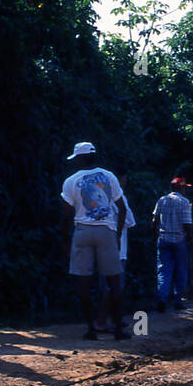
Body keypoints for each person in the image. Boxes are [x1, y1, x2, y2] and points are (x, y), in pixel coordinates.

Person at [60, 141, 128, 341]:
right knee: (114, 281)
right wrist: (116, 236)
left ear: (80, 158)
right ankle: (117, 330)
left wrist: (64, 239)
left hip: (82, 231)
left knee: (83, 282)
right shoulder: (109, 177)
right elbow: (121, 208)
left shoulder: (71, 180)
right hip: (106, 230)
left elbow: (65, 214)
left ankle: (91, 329)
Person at [152, 177, 193, 312]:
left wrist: (156, 235)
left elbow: (154, 220)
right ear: (181, 188)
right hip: (179, 239)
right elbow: (187, 223)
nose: (185, 189)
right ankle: (177, 300)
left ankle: (162, 299)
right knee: (181, 270)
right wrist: (190, 238)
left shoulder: (162, 200)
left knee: (164, 270)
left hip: (163, 238)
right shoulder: (184, 202)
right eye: (185, 187)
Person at [95, 196, 135, 332]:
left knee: (108, 285)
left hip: (102, 245)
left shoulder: (98, 195)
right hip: (117, 248)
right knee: (113, 286)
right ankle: (101, 322)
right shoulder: (120, 197)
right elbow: (130, 221)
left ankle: (113, 319)